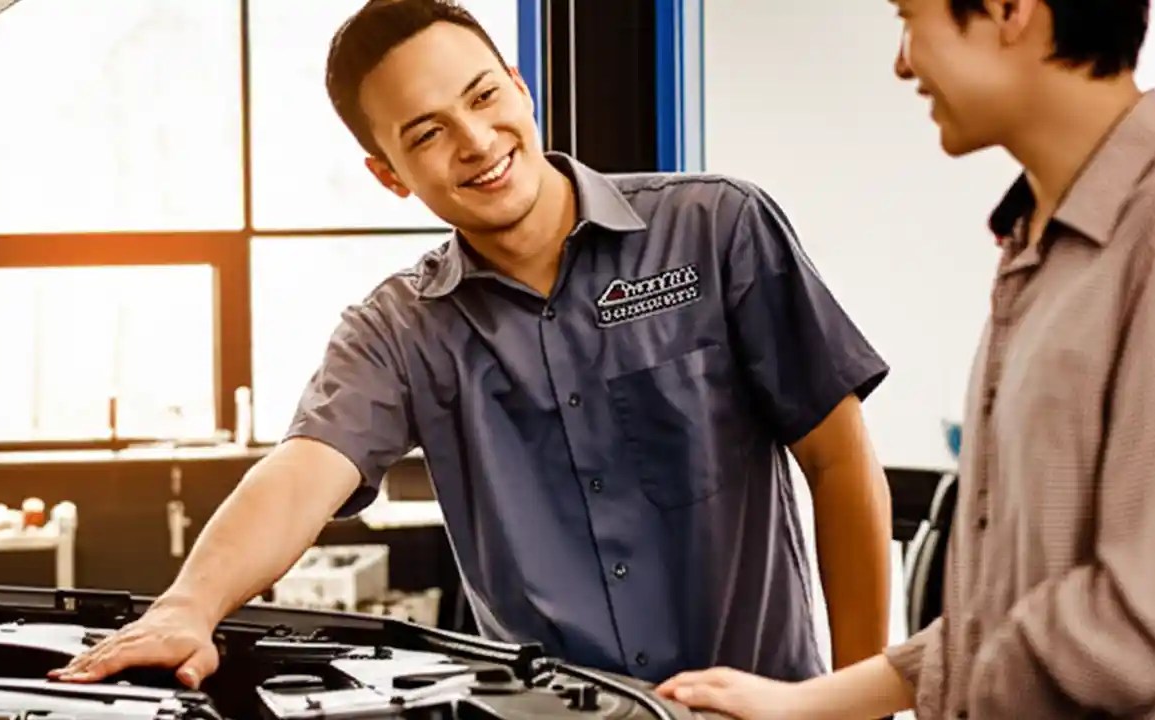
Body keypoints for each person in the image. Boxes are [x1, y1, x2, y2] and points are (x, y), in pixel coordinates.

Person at [48, 0, 894, 690]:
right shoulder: (400, 328)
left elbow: (839, 460)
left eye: (485, 97)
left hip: (760, 713)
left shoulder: (716, 229)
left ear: (521, 89)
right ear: (389, 173)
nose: (478, 143)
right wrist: (187, 607)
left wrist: (853, 703)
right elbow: (303, 471)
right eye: (426, 133)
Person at [658, 0, 1155, 718]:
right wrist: (804, 704)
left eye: (910, 17)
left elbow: (1142, 619)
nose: (903, 61)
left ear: (1009, 10)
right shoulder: (1036, 244)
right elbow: (1005, 611)